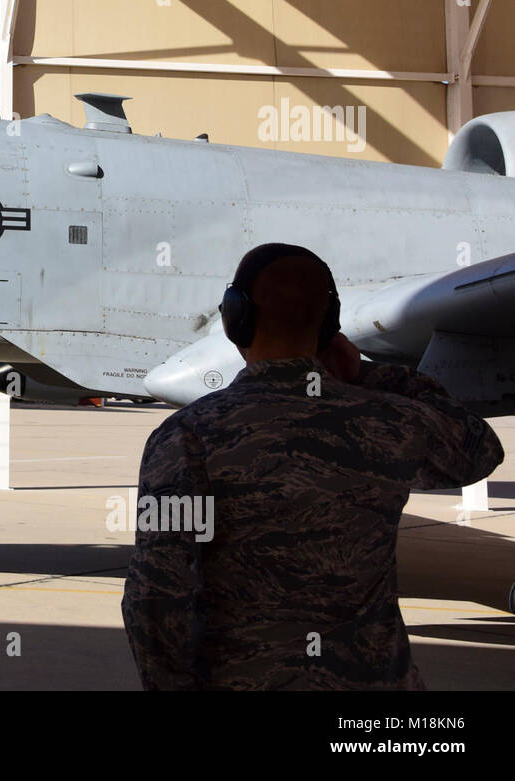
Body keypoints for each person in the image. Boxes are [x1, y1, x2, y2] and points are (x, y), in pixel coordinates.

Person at [121, 243, 504, 690]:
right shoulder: (389, 420)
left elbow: (155, 596)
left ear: (234, 318)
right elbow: (479, 450)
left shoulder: (186, 437)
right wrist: (369, 374)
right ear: (329, 326)